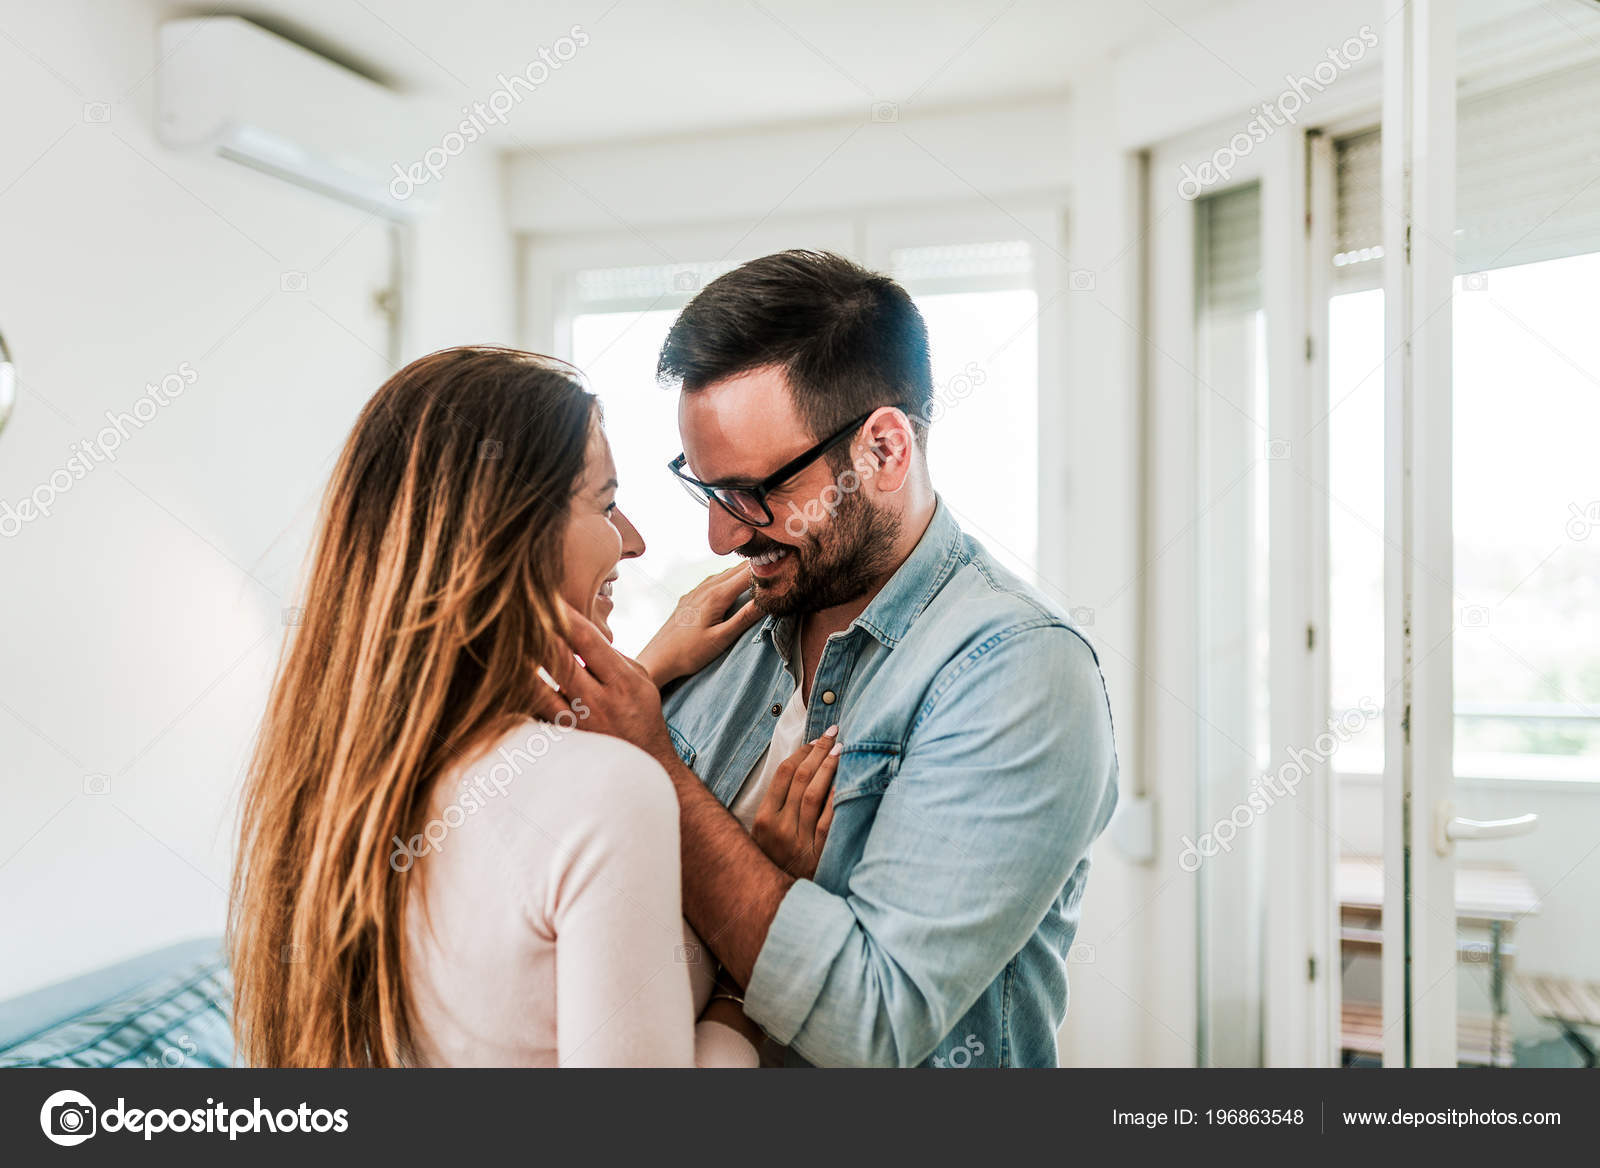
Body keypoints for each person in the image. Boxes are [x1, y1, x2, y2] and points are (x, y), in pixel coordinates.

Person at [546, 250, 1121, 1068]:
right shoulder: (729, 624)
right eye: (705, 489)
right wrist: (646, 675)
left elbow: (875, 1023)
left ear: (884, 451)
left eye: (755, 493)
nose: (722, 536)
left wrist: (654, 760)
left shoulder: (1019, 673)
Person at [228, 346, 820, 1067]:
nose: (633, 541)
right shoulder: (608, 792)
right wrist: (747, 962)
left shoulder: (326, 786)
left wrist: (648, 668)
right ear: (512, 538)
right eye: (606, 505)